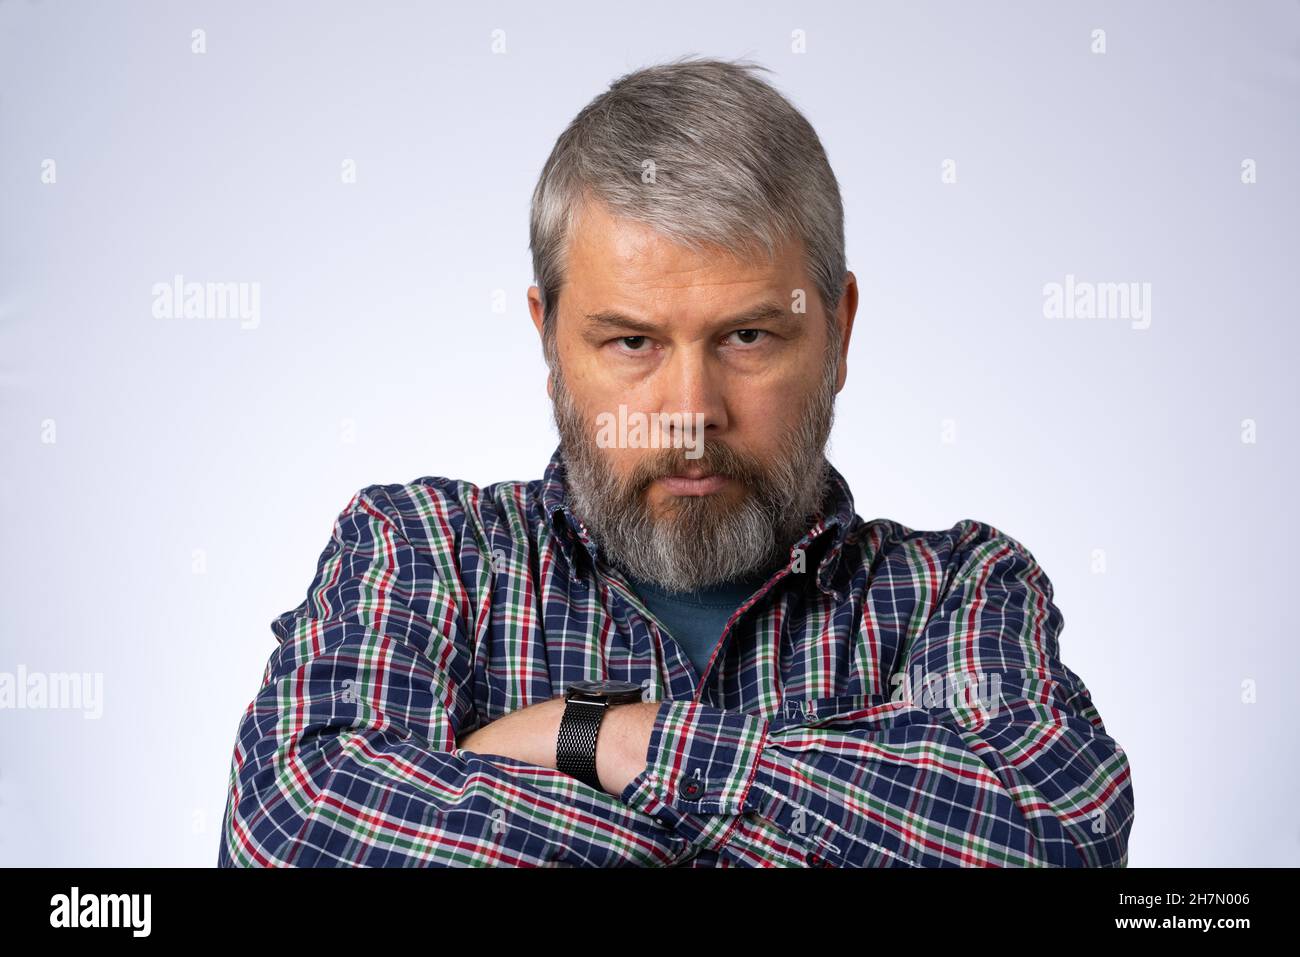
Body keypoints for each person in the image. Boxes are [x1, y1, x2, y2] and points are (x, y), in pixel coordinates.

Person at [218, 55, 1134, 867]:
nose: (691, 415)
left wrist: (605, 739)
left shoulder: (960, 589)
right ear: (549, 344)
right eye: (631, 343)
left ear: (839, 331)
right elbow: (296, 828)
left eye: (747, 335)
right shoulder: (422, 551)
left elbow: (1051, 833)